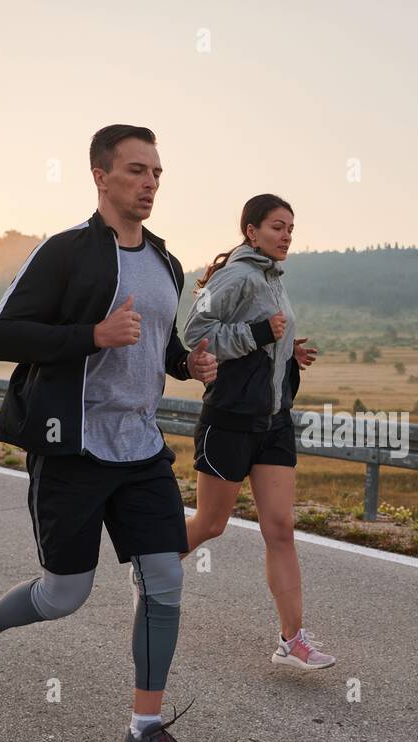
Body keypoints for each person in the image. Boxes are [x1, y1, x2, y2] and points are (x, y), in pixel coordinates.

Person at [0, 124, 218, 742]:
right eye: (135, 171)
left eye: (156, 172)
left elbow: (158, 343)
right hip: (73, 448)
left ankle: (144, 730)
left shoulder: (165, 261)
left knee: (165, 579)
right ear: (100, 175)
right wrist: (91, 334)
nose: (150, 182)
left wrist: (189, 363)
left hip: (141, 451)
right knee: (65, 593)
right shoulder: (66, 252)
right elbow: (5, 336)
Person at [180, 194, 333, 669]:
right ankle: (152, 568)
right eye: (276, 227)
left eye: (290, 227)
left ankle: (293, 640)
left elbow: (263, 340)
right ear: (251, 231)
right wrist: (262, 335)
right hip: (230, 419)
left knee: (280, 528)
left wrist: (288, 351)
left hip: (274, 421)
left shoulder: (272, 279)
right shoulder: (236, 277)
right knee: (211, 524)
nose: (286, 235)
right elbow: (195, 335)